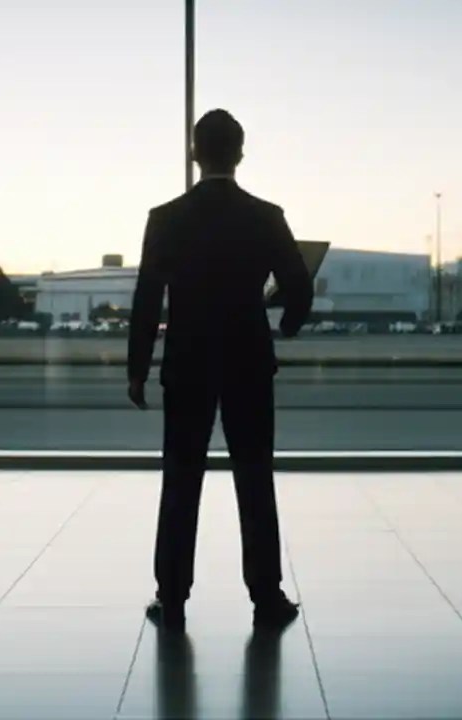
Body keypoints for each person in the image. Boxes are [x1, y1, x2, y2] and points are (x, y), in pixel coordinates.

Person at [127, 109, 313, 631]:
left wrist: (138, 367)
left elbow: (147, 298)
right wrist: (288, 324)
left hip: (186, 362)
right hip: (248, 361)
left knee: (181, 480)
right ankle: (266, 596)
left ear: (194, 153)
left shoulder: (165, 218)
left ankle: (173, 597)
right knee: (255, 478)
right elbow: (298, 285)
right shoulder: (266, 215)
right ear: (240, 154)